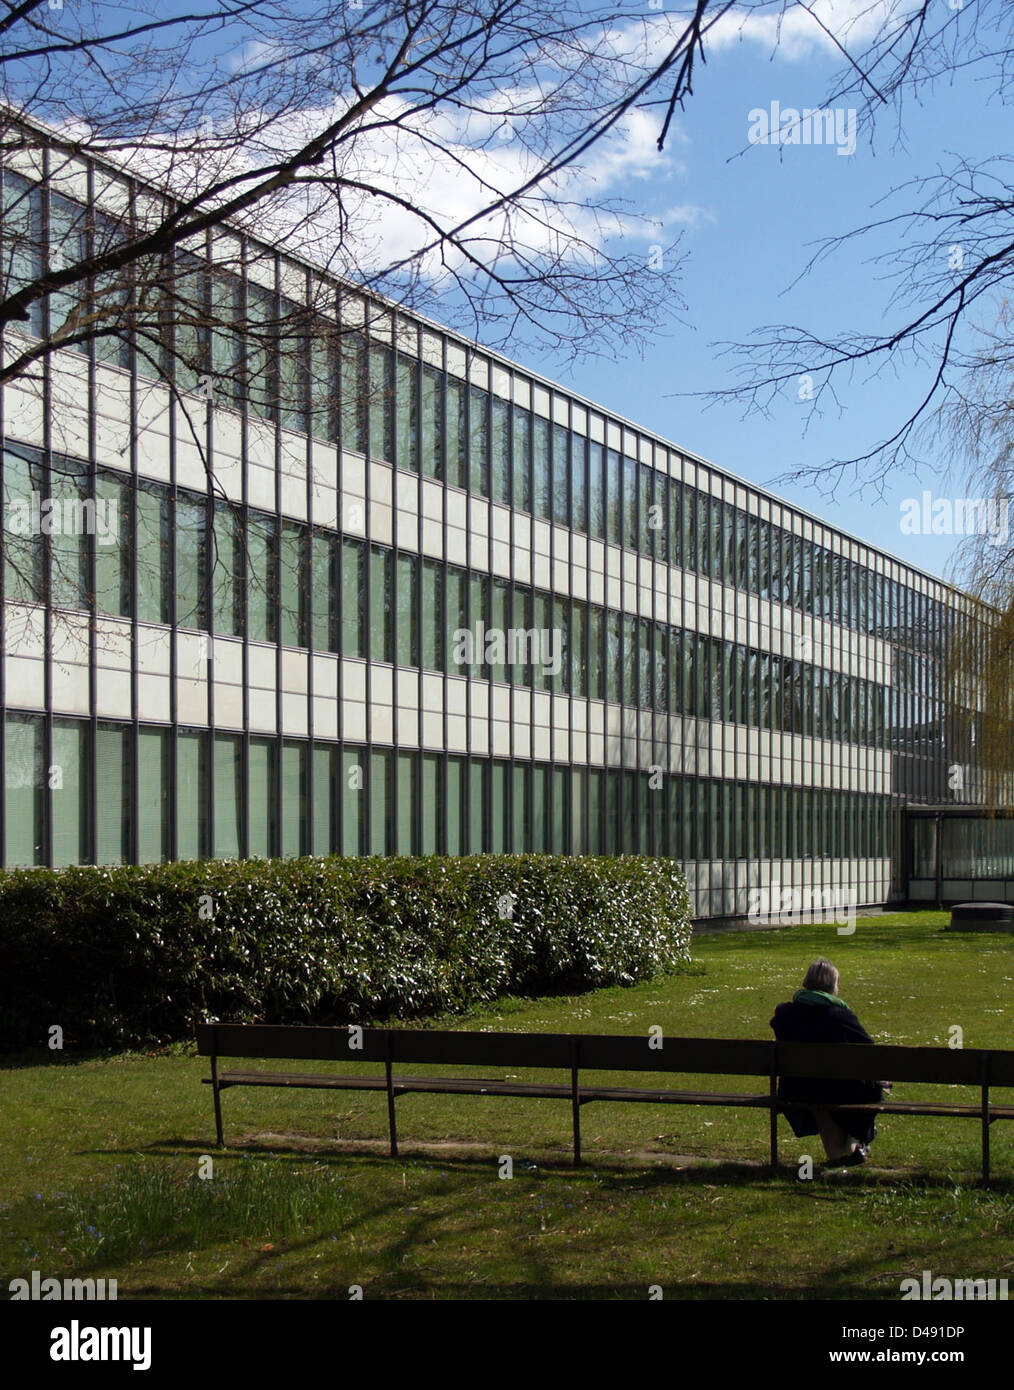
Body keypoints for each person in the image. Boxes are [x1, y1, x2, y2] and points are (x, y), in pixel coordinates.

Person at [770, 959, 889, 1166]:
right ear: (833, 986)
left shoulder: (785, 1014)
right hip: (838, 1090)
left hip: (798, 1088)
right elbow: (870, 1052)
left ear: (806, 983)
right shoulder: (840, 1017)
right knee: (858, 1089)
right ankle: (854, 1145)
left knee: (819, 1095)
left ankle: (842, 1156)